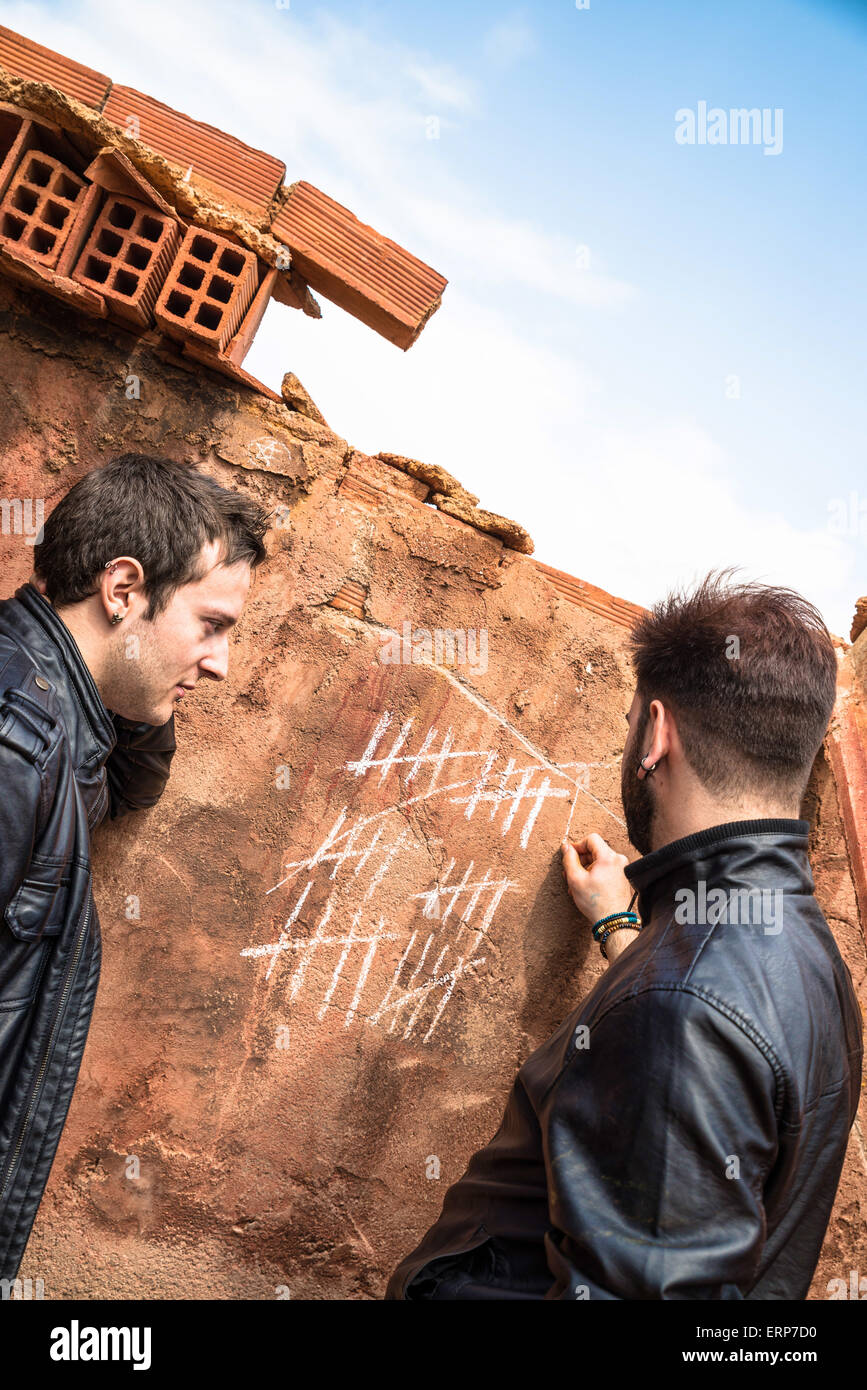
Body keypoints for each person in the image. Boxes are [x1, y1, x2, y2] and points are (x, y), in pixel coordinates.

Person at [384, 570, 864, 1300]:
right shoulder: (807, 956)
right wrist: (622, 931)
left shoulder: (677, 1004)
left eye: (629, 723)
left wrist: (656, 979)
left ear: (656, 734)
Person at [0, 452, 269, 1282]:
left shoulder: (64, 721)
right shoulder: (16, 741)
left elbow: (126, 787)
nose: (221, 663)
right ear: (122, 589)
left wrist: (141, 682)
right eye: (212, 624)